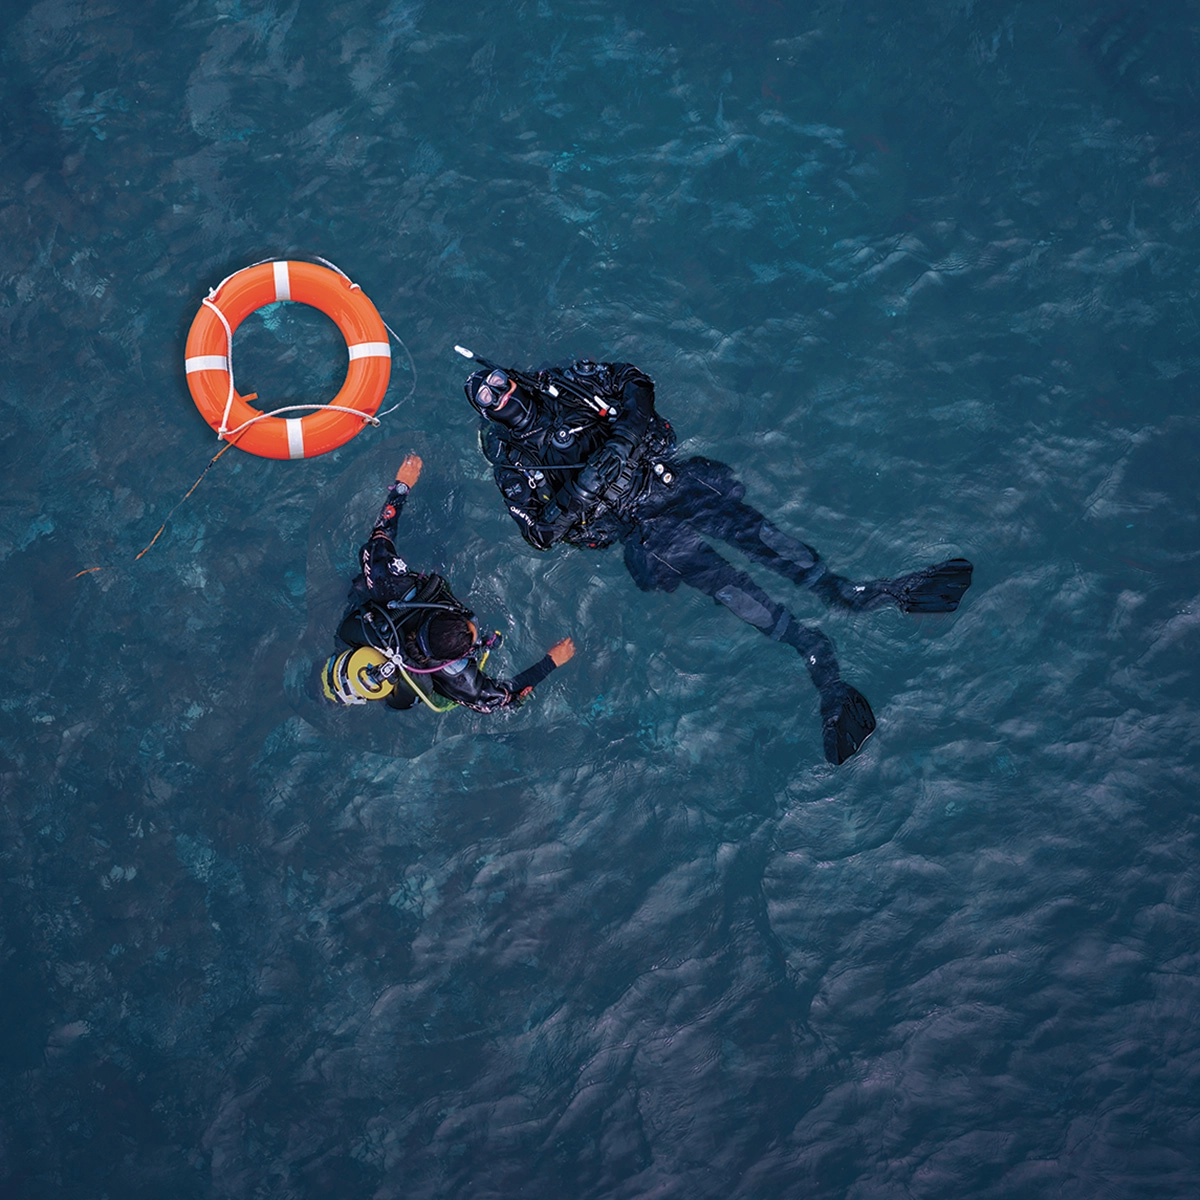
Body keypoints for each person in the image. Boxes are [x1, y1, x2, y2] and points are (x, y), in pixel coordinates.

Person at [459, 350, 973, 763]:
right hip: (645, 529)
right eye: (493, 398)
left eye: (502, 384)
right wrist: (581, 495)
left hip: (671, 481)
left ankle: (857, 594)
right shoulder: (511, 462)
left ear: (511, 379)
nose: (504, 396)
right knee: (737, 592)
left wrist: (624, 437)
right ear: (489, 414)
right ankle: (820, 663)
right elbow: (540, 536)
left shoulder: (562, 383)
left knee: (769, 541)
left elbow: (632, 378)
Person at [323, 453, 575, 713]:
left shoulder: (393, 586)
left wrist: (402, 486)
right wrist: (551, 662)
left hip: (382, 613)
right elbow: (506, 698)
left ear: (440, 613)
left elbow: (379, 537)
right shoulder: (459, 678)